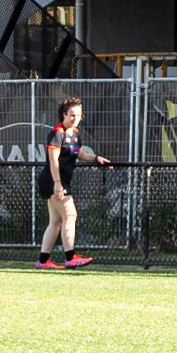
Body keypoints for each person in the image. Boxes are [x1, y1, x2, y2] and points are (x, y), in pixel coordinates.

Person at [38, 97, 113, 270]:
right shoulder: (57, 133)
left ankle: (43, 261)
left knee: (56, 221)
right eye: (71, 115)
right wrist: (57, 183)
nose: (75, 118)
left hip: (61, 181)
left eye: (78, 115)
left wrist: (96, 158)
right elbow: (53, 161)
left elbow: (78, 153)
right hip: (53, 181)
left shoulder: (75, 133)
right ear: (64, 114)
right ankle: (70, 257)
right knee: (70, 215)